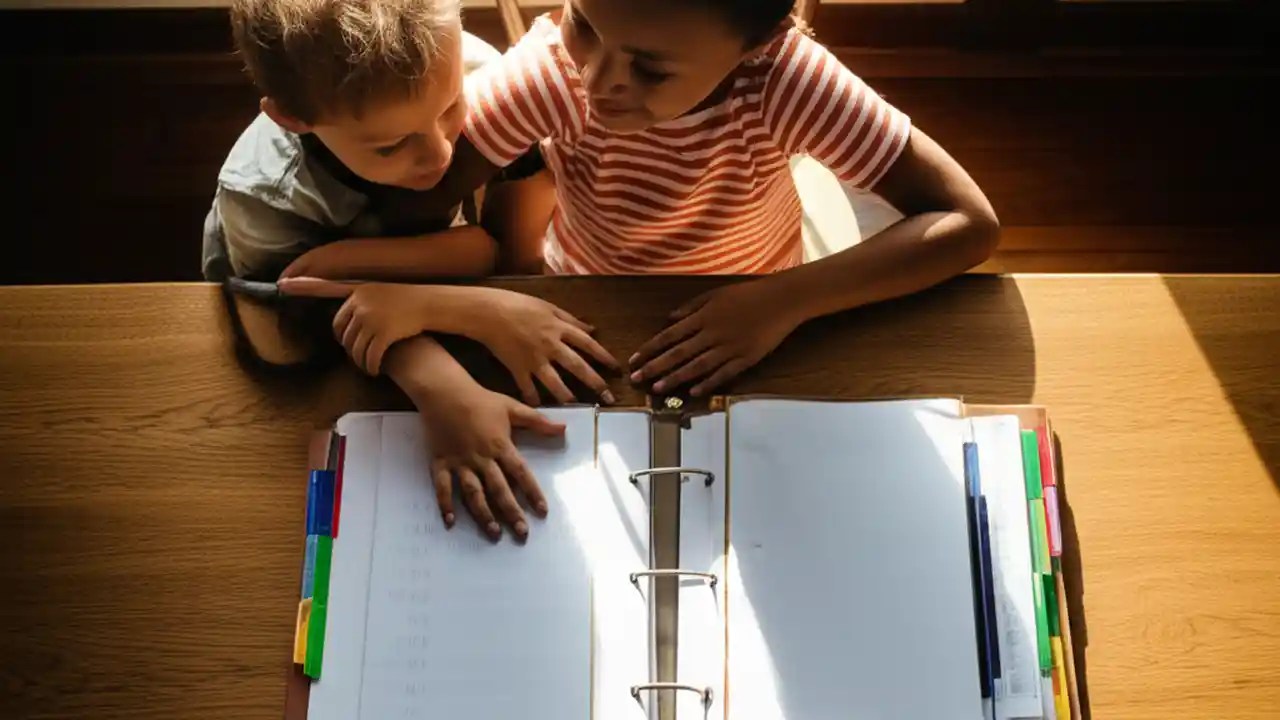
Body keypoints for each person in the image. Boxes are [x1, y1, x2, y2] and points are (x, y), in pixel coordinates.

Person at [420, 0, 1000, 398]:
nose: (595, 82)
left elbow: (967, 220)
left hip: (762, 306)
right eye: (583, 22)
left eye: (650, 68)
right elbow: (408, 198)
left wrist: (782, 301)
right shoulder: (552, 72)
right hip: (589, 300)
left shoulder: (784, 81)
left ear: (761, 44)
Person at [206, 0, 616, 541]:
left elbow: (502, 251)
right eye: (391, 145)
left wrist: (363, 267)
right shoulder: (264, 197)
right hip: (319, 353)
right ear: (292, 119)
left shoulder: (469, 69)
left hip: (413, 301)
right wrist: (441, 384)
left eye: (451, 110)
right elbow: (294, 317)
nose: (440, 154)